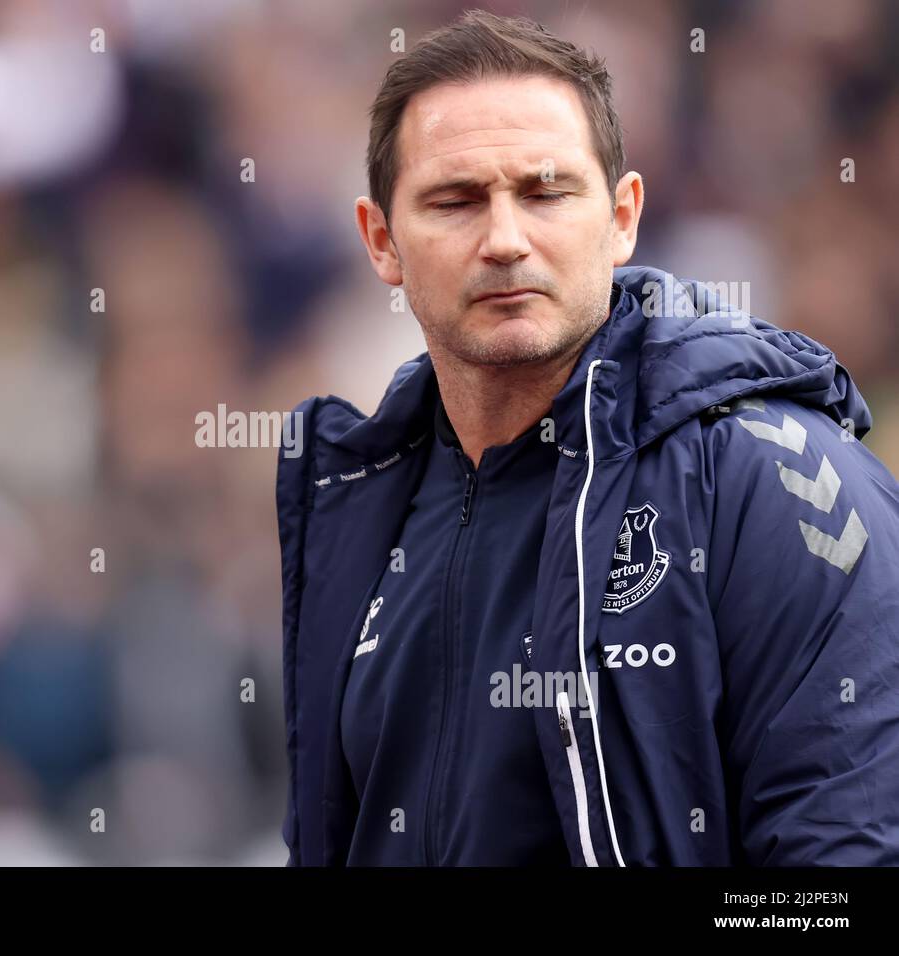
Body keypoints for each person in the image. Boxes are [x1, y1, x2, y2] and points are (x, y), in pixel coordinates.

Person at [276, 9, 899, 866]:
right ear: (381, 241)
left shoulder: (779, 480)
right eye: (455, 201)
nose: (504, 239)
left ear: (622, 218)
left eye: (545, 193)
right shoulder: (354, 510)